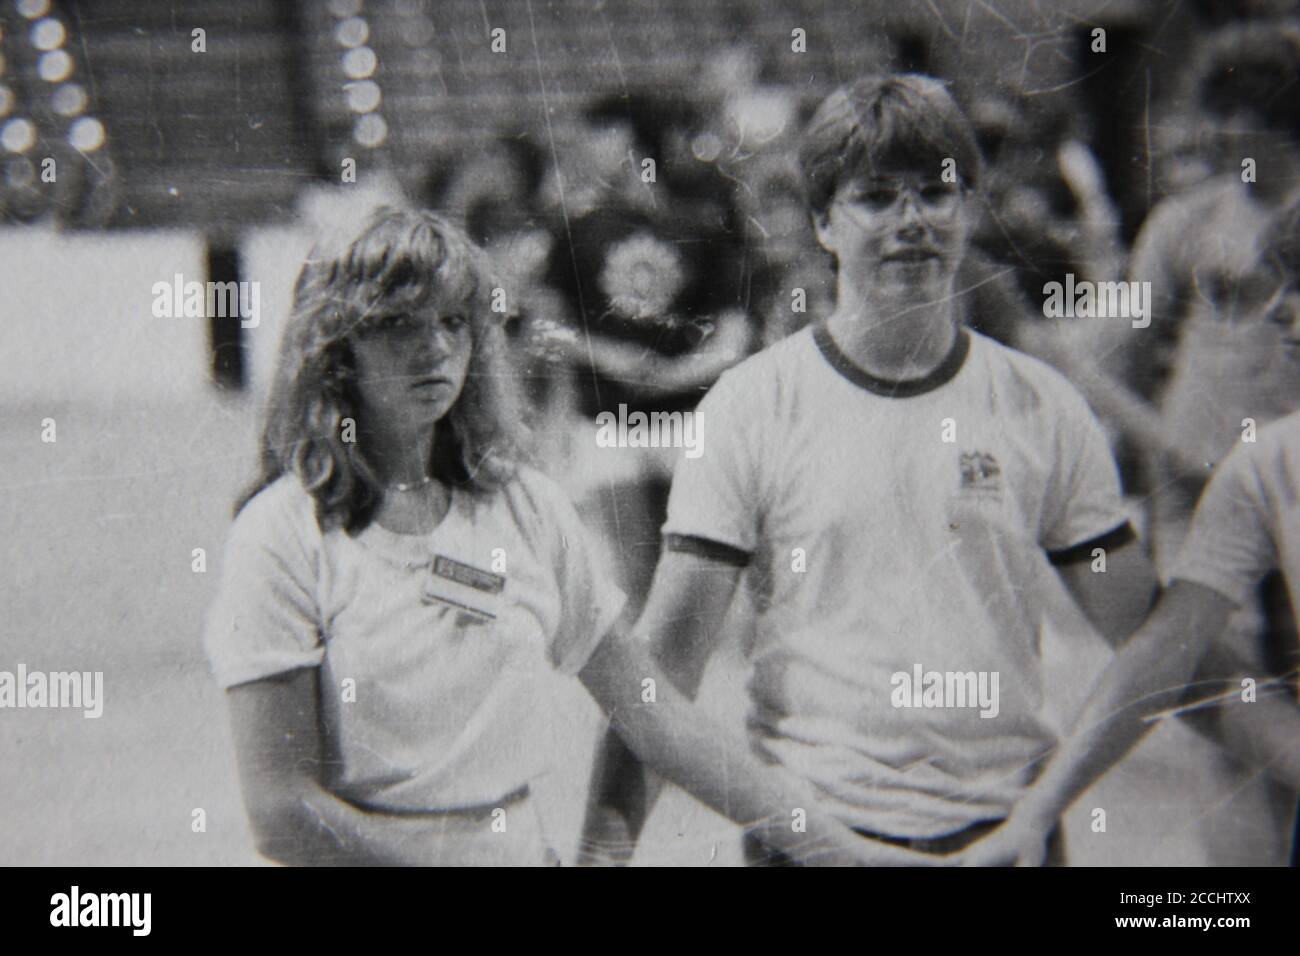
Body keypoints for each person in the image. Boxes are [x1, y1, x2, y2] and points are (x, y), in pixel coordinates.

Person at [205, 205, 920, 866]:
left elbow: (658, 717)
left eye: (453, 322)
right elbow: (282, 812)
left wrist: (837, 851)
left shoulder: (524, 506)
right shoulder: (280, 534)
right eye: (399, 324)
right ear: (335, 347)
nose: (434, 349)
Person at [582, 74, 1160, 865]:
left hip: (1004, 842)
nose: (912, 220)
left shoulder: (1042, 406)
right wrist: (597, 856)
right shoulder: (751, 406)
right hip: (816, 839)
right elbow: (662, 674)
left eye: (936, 192)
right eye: (878, 197)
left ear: (969, 210)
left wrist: (1048, 802)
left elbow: (1155, 643)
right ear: (823, 221)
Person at [959, 200, 1300, 867]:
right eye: (1276, 286)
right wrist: (1038, 810)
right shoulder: (1265, 468)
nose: (1276, 311)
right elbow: (1162, 655)